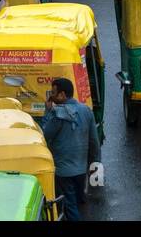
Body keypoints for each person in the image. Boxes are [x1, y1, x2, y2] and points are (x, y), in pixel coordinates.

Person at [40, 77, 100, 222]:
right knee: (80, 200)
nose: (51, 96)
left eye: (53, 93)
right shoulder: (86, 110)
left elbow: (44, 135)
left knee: (69, 207)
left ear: (62, 95)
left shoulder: (56, 114)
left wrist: (47, 112)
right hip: (81, 169)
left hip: (63, 172)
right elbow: (94, 142)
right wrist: (95, 164)